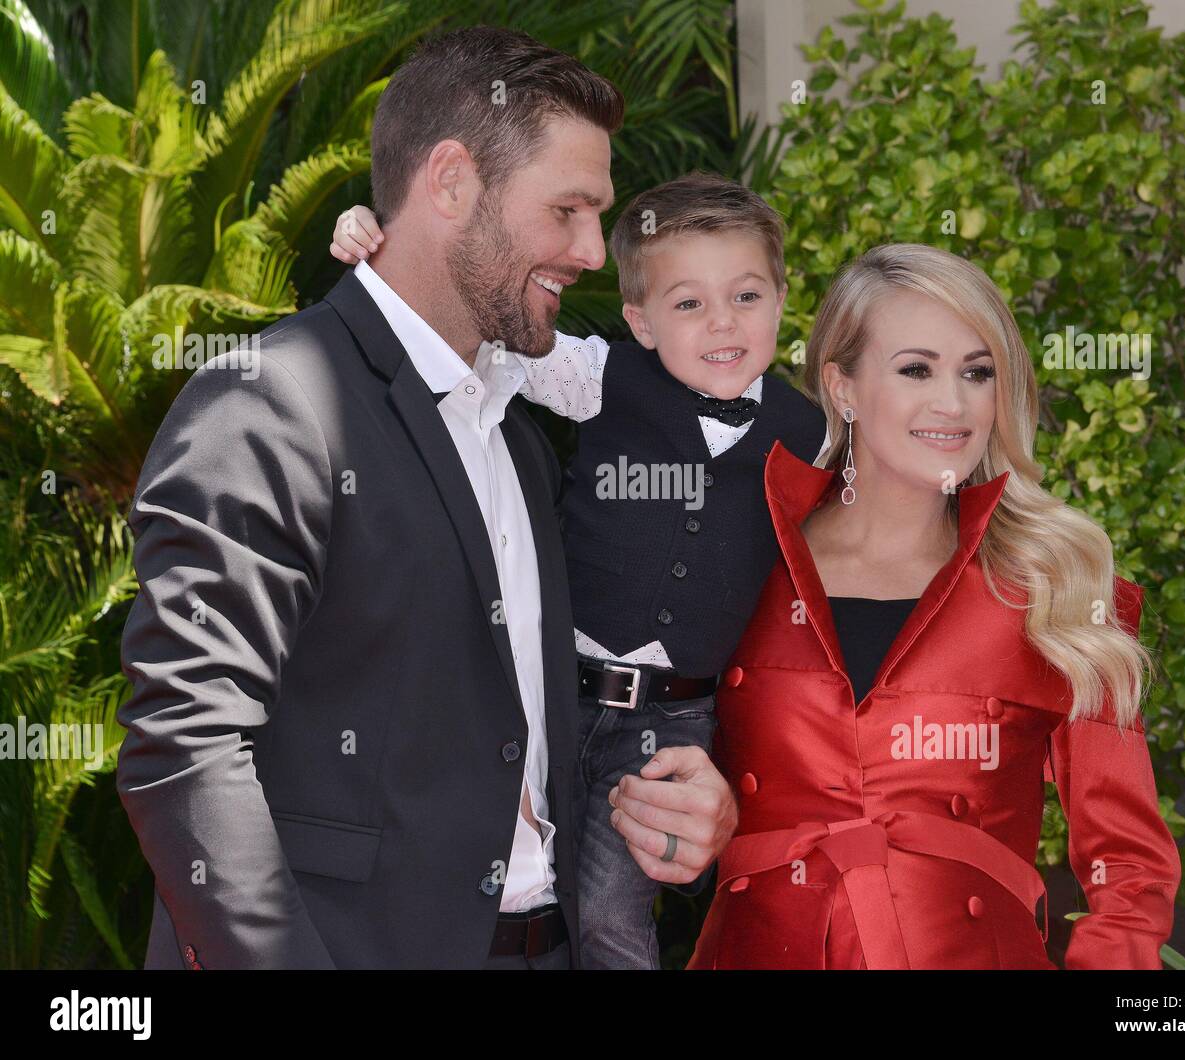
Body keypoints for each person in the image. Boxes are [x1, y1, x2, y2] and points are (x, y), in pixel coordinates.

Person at [114, 26, 736, 971]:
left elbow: (506, 730)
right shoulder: (270, 403)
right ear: (451, 183)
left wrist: (675, 801)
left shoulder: (521, 442)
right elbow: (186, 744)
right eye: (566, 210)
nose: (590, 253)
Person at [330, 172, 829, 968]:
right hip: (545, 694)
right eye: (688, 304)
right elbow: (470, 334)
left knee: (606, 910)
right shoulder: (604, 378)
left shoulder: (812, 433)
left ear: (779, 298)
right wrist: (383, 250)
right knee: (481, 878)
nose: (723, 323)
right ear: (641, 320)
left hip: (668, 728)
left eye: (746, 296)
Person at [687, 244, 1182, 969]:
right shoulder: (738, 562)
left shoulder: (1054, 589)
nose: (953, 404)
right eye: (916, 368)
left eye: (977, 373)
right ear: (842, 387)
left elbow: (1131, 873)